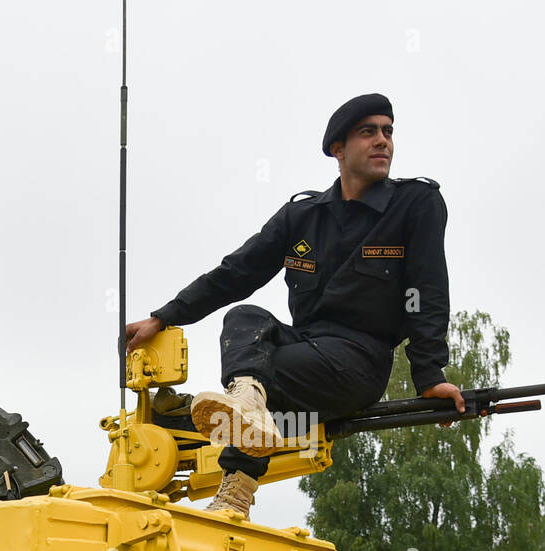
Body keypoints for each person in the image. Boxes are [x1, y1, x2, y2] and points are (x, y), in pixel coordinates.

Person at [125, 92, 464, 519]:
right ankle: (243, 446)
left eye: (388, 132)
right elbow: (236, 273)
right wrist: (164, 316)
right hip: (303, 348)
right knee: (244, 317)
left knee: (262, 377)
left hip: (357, 361)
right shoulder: (302, 216)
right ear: (337, 150)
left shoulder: (415, 205)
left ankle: (241, 457)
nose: (383, 141)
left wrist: (429, 375)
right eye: (368, 132)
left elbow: (428, 293)